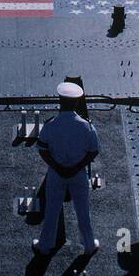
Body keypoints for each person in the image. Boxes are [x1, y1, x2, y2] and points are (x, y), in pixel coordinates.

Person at [33, 82, 100, 255]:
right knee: (83, 211)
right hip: (78, 173)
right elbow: (94, 151)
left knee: (52, 210)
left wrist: (57, 167)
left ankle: (45, 246)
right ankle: (89, 245)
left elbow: (42, 149)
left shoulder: (51, 125)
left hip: (56, 173)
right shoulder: (87, 126)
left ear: (60, 101)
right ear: (76, 102)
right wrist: (76, 167)